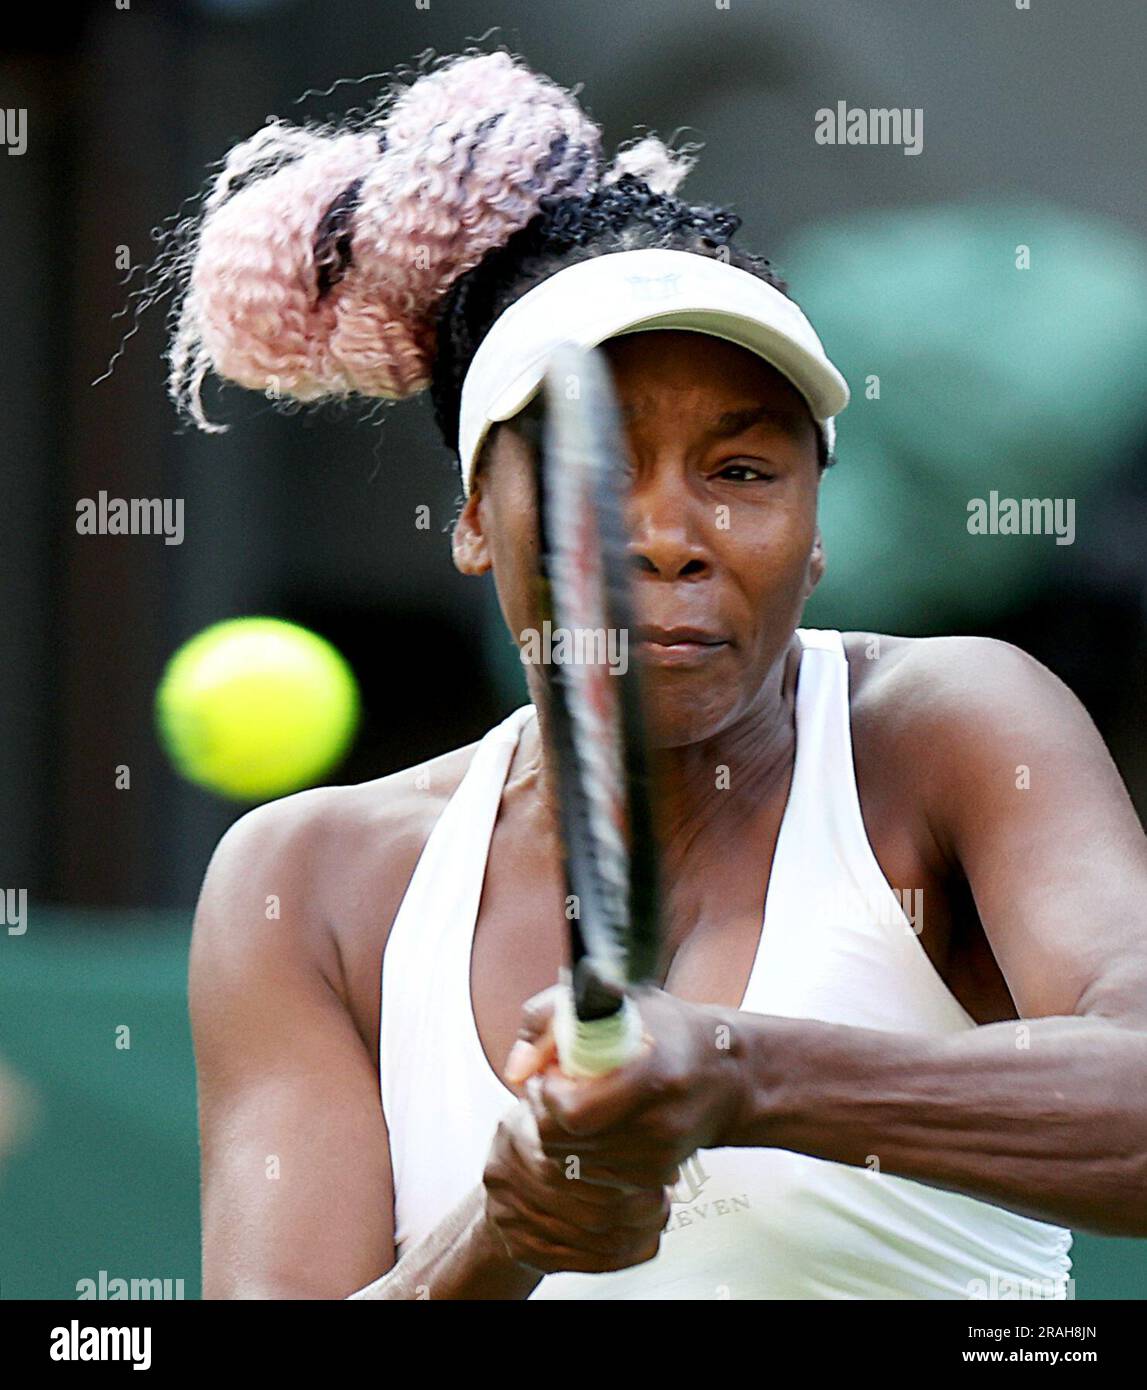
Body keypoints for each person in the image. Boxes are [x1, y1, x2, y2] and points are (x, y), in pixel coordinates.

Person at [174, 49, 1147, 1299]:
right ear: (475, 517)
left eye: (742, 473)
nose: (669, 536)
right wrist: (506, 1235)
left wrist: (744, 1075)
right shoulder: (304, 881)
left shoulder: (953, 725)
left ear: (816, 530)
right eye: (596, 473)